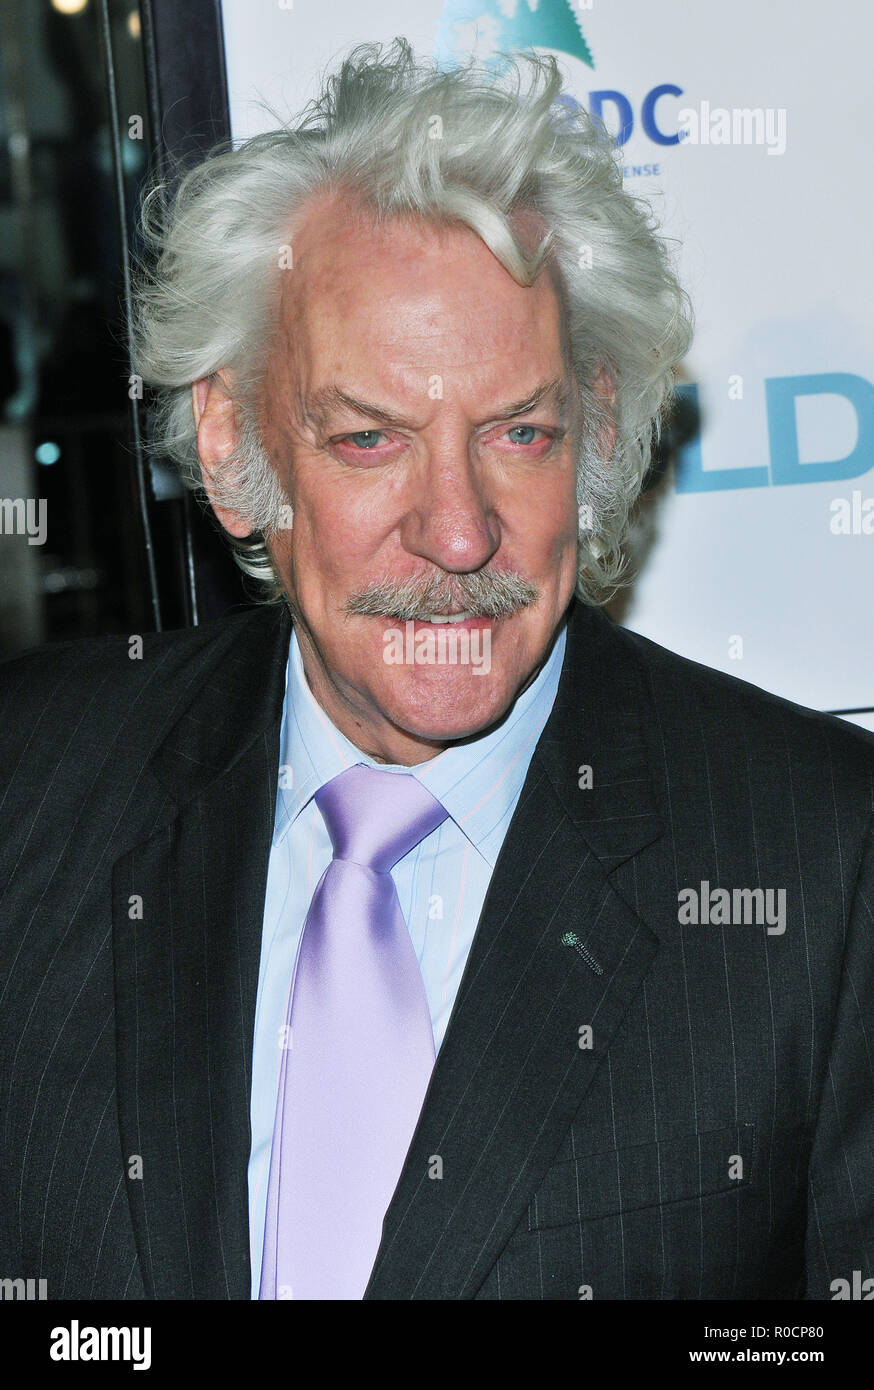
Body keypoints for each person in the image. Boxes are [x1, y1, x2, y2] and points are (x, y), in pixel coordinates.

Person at [1, 39, 871, 1302]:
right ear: (237, 440)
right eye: (369, 439)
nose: (458, 533)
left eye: (520, 432)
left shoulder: (822, 861)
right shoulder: (29, 791)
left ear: (603, 431)